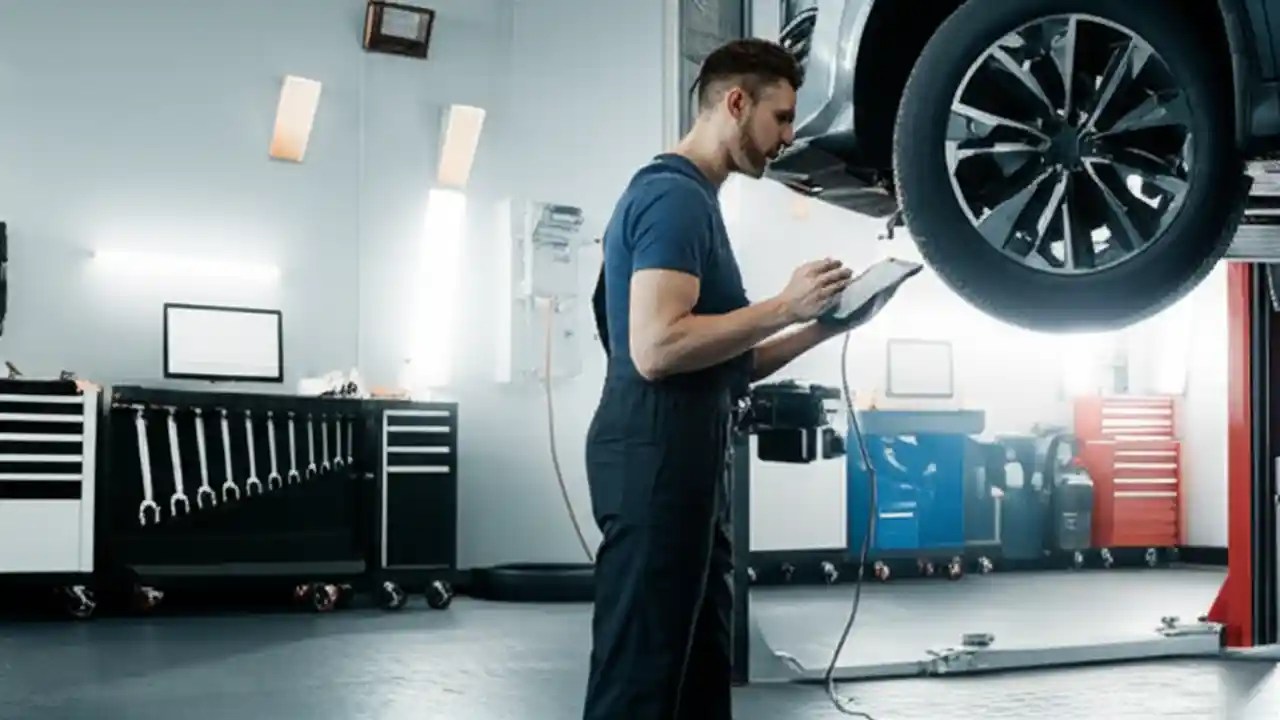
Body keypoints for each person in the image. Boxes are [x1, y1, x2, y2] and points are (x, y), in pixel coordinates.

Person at [583, 38, 857, 719]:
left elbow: (728, 360)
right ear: (736, 103)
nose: (787, 139)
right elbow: (655, 348)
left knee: (701, 674)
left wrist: (821, 326)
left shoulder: (697, 203)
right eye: (782, 118)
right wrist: (781, 305)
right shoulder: (673, 199)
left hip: (690, 464)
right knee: (640, 681)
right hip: (655, 462)